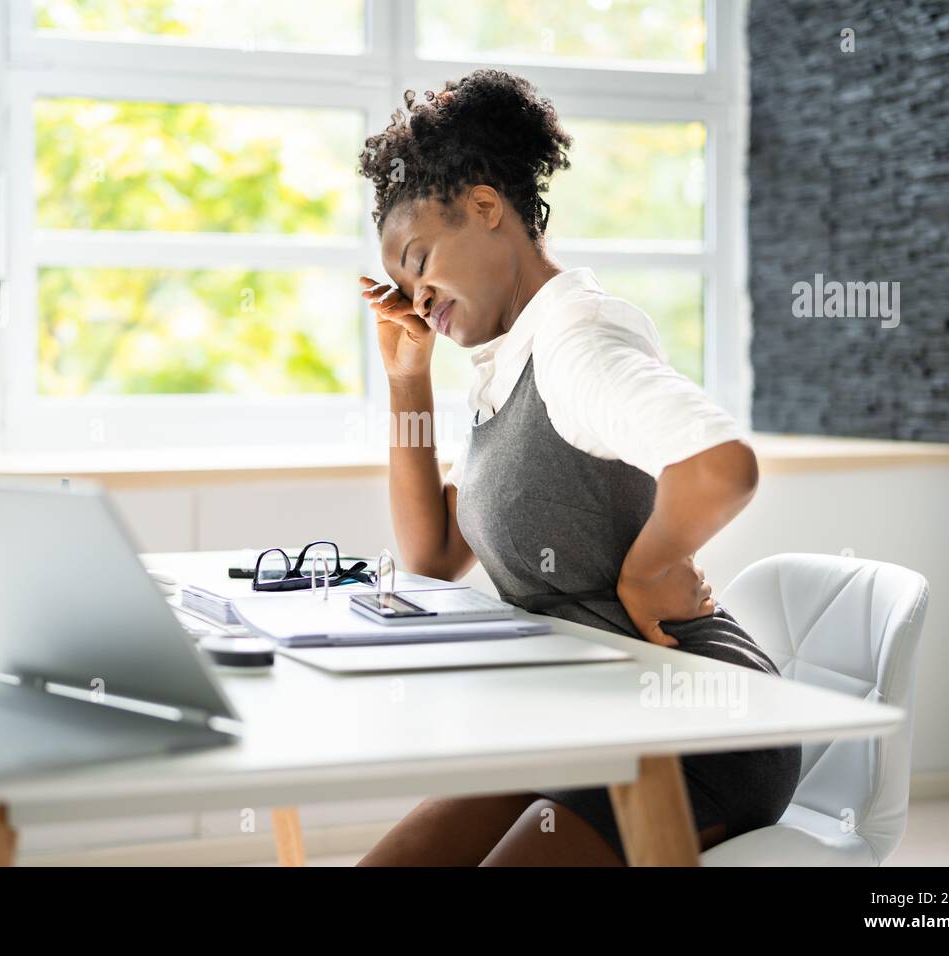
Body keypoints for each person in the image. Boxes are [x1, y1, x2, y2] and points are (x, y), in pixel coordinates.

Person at [353, 68, 800, 866]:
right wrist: (407, 380)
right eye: (404, 285)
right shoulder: (508, 361)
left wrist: (649, 566)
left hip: (695, 725)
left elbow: (722, 466)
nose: (417, 298)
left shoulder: (577, 343)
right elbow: (433, 557)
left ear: (487, 208)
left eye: (422, 262)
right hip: (577, 719)